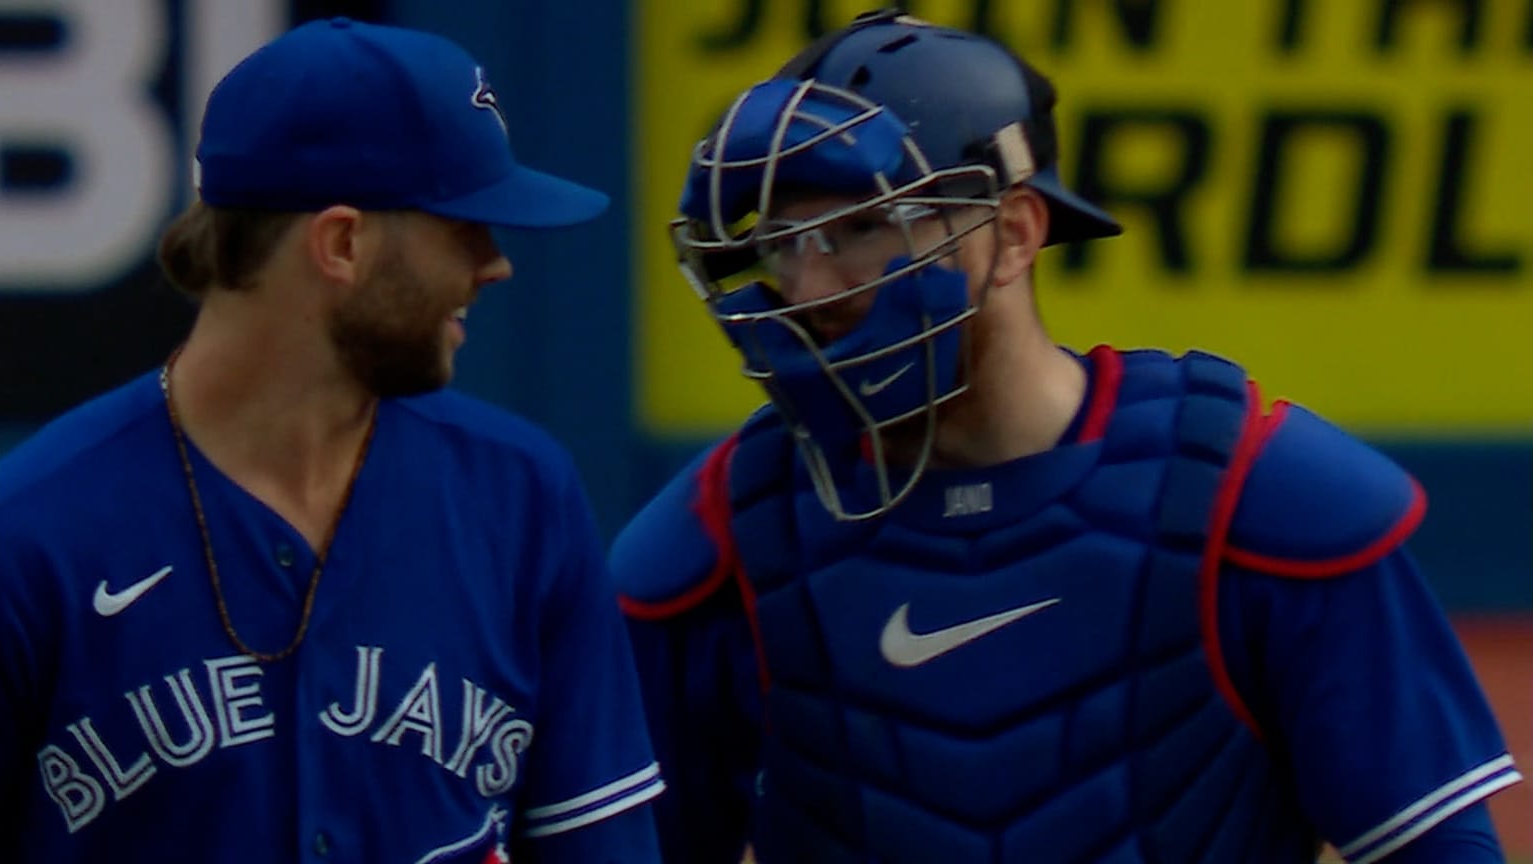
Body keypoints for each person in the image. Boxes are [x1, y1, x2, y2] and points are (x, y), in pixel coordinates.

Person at [612, 10, 1521, 863]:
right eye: (782, 241)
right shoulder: (724, 537)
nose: (810, 287)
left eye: (861, 228)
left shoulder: (1246, 492)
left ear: (1012, 235)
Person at [0, 17, 664, 864]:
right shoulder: (33, 538)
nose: (496, 265)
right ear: (342, 243)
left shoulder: (521, 495)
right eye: (466, 228)